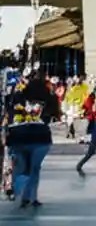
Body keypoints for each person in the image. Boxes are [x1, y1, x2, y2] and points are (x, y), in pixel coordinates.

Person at [7, 70, 60, 208]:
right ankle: (32, 197)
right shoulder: (50, 96)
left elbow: (9, 111)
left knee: (21, 167)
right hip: (40, 136)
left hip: (18, 136)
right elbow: (55, 114)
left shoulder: (18, 95)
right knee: (35, 169)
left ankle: (19, 193)